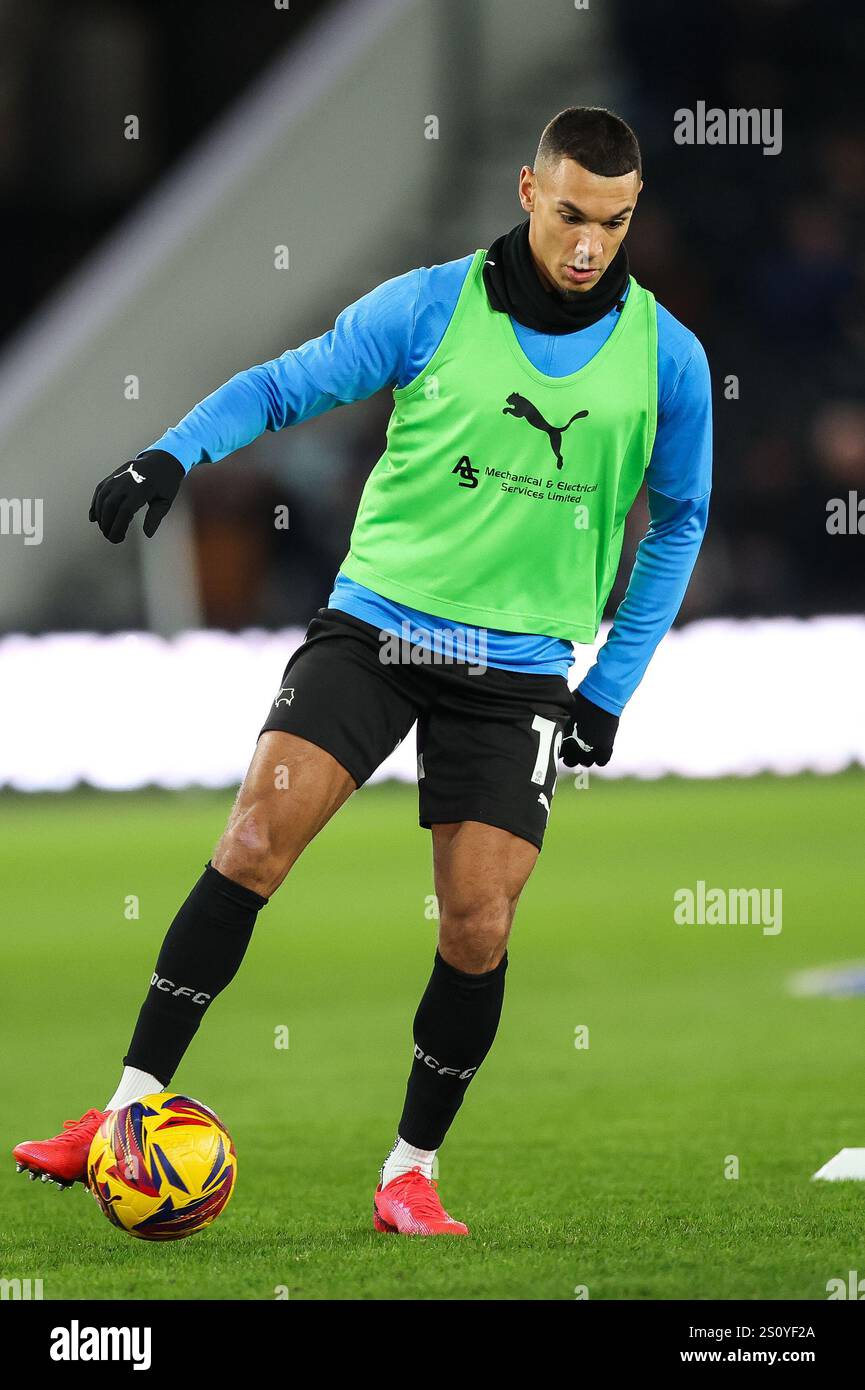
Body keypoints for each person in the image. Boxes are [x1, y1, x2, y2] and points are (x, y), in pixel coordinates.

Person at [13, 106, 712, 1237]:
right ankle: (120, 1113)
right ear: (530, 193)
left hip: (520, 668)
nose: (590, 245)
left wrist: (610, 685)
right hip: (378, 627)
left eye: (616, 223)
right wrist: (171, 449)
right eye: (573, 214)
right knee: (250, 841)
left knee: (475, 927)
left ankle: (408, 1174)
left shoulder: (666, 356)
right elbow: (284, 384)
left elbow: (678, 521)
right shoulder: (429, 303)